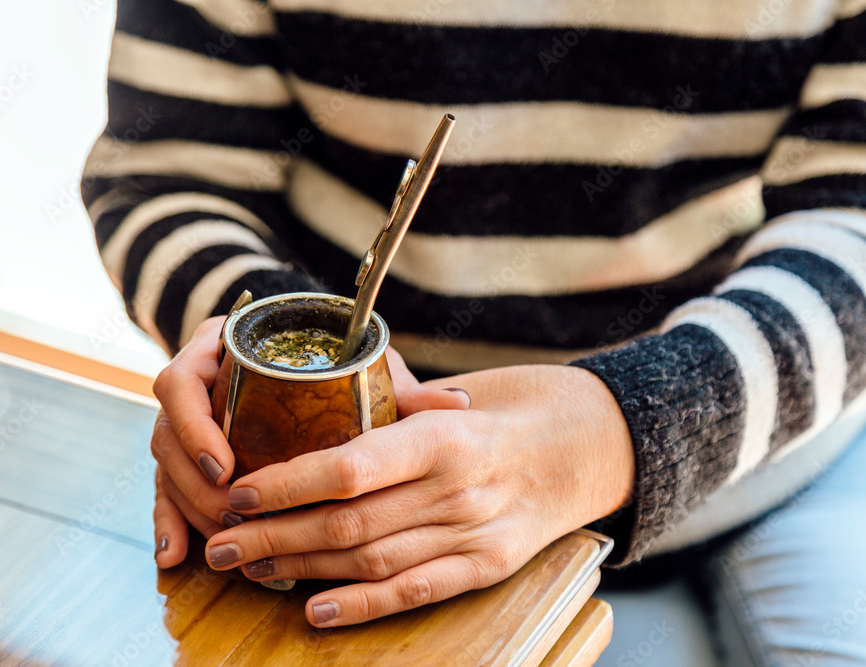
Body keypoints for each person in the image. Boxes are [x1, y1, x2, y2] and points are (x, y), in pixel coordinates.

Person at [81, 0, 866, 661]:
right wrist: (274, 369)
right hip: (346, 494)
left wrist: (624, 431)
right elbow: (168, 174)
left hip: (763, 452)